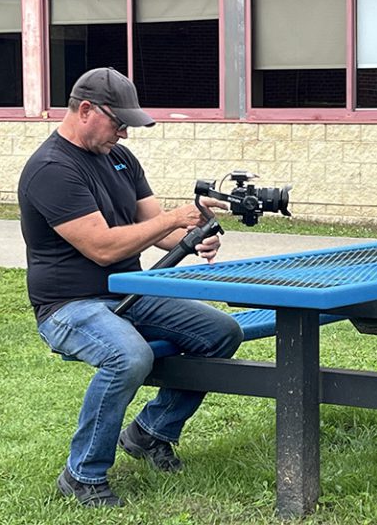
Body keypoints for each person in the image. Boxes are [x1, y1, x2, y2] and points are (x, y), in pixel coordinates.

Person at [18, 67, 243, 508]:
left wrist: (193, 237)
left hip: (128, 292)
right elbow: (101, 247)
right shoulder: (51, 169)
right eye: (118, 123)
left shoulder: (120, 159)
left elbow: (152, 228)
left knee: (222, 332)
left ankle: (150, 432)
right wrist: (174, 220)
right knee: (128, 356)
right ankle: (82, 475)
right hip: (68, 304)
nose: (124, 133)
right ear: (85, 110)